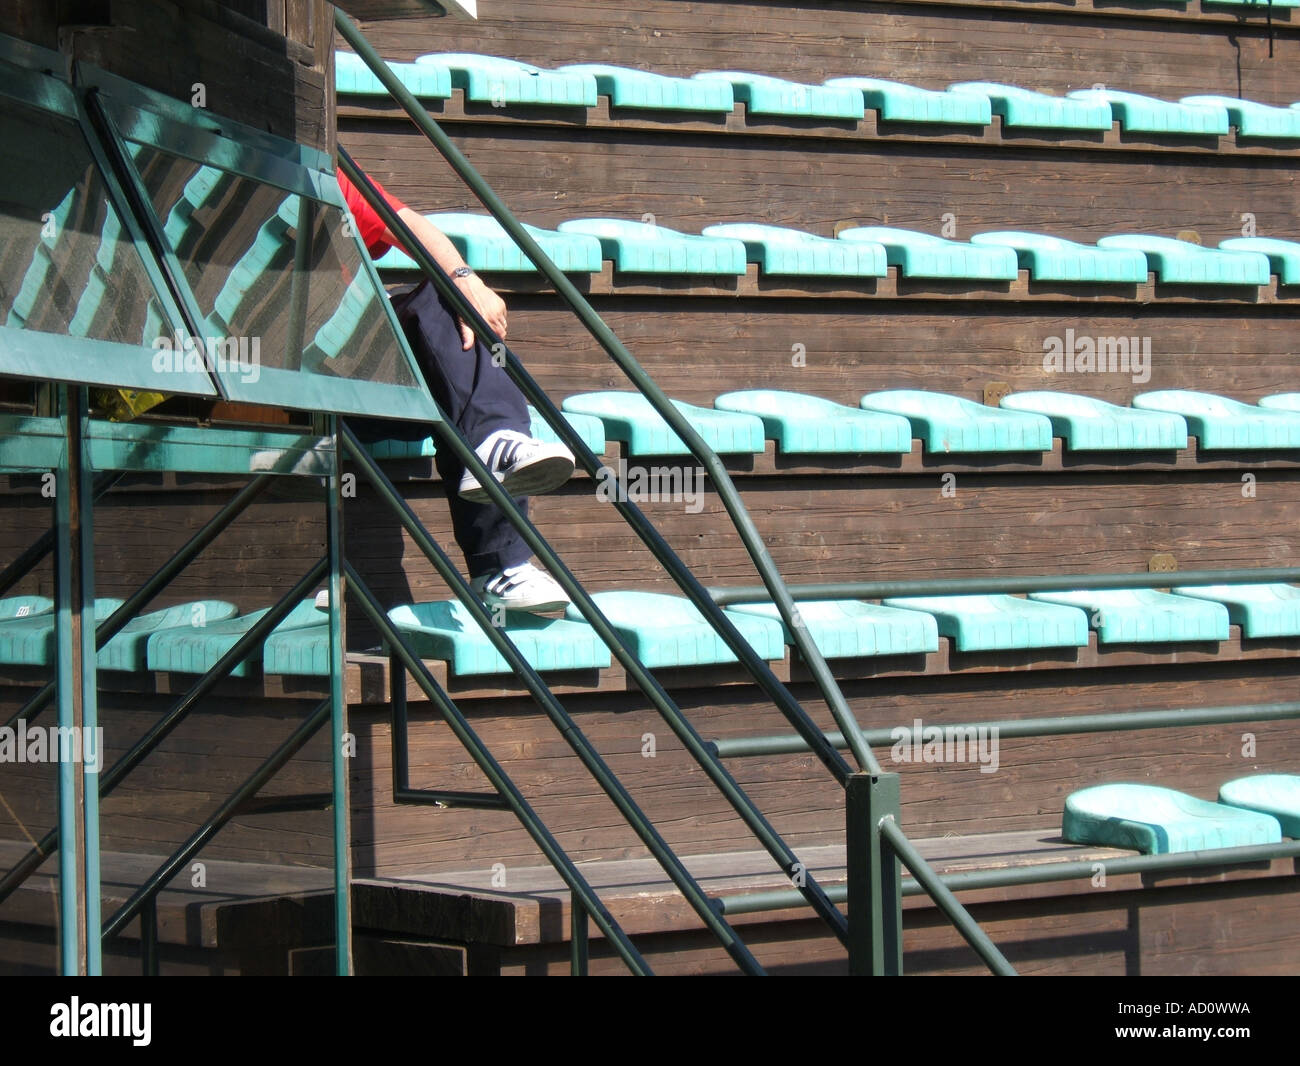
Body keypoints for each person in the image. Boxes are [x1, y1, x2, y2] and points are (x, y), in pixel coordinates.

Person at [338, 167, 574, 612]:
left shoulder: (321, 167)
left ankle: (499, 554)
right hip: (293, 380)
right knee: (455, 364)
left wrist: (464, 280)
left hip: (363, 366)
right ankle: (499, 554)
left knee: (450, 295)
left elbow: (412, 226)